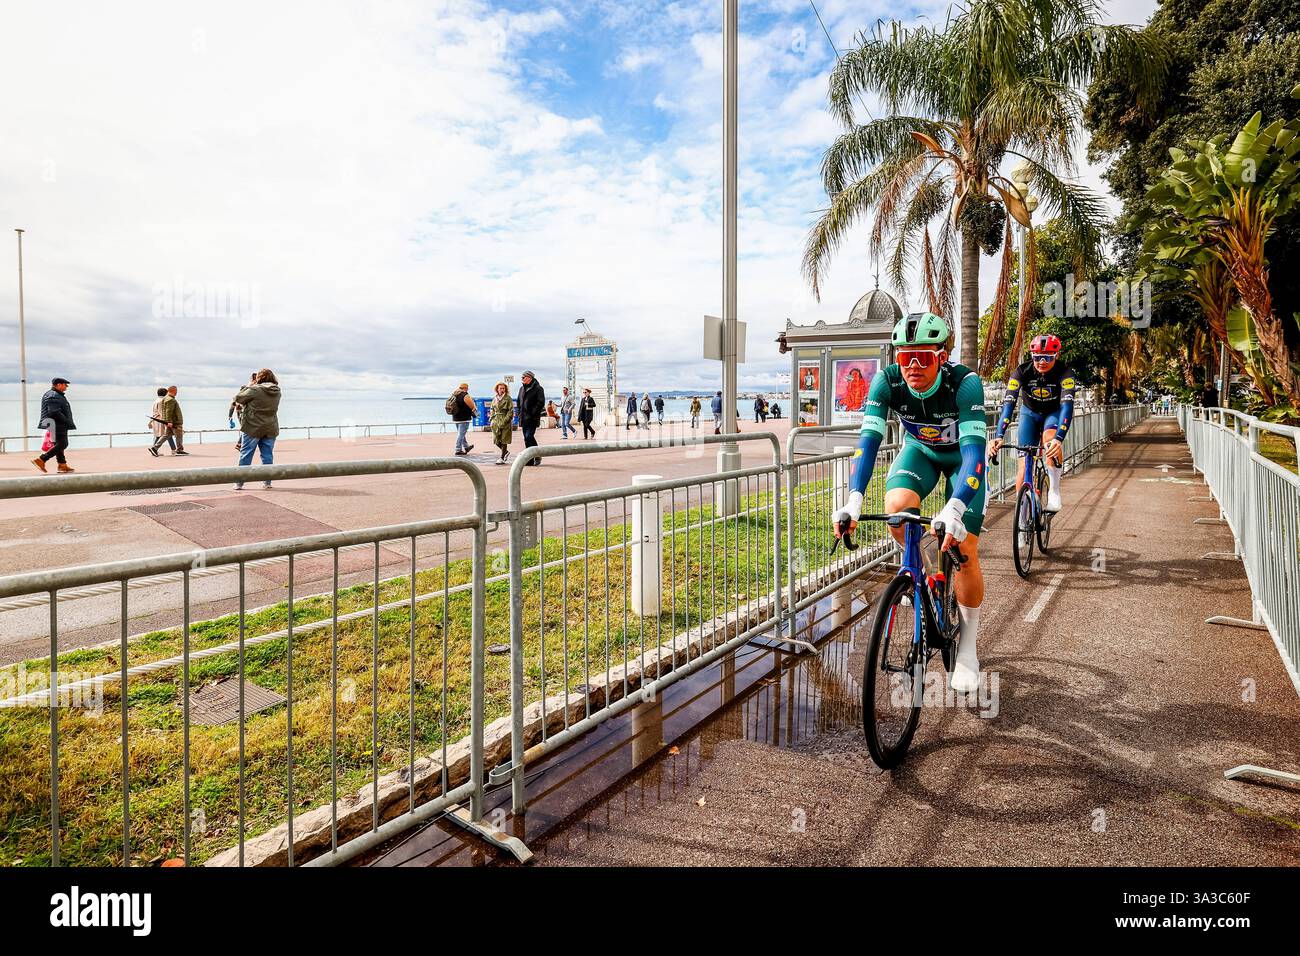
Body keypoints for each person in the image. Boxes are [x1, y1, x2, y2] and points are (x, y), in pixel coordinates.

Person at [832, 312, 987, 694]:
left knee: (965, 545)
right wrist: (853, 501)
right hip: (920, 453)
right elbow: (867, 444)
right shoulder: (886, 382)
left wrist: (954, 508)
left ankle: (967, 648)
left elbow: (974, 457)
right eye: (905, 357)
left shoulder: (965, 385)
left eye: (924, 357)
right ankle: (919, 575)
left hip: (961, 459)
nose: (914, 366)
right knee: (897, 512)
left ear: (943, 356)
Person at [988, 333, 1077, 513]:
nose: (1041, 362)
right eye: (1037, 357)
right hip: (1029, 414)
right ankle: (1022, 514)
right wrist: (999, 436)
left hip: (1053, 413)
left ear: (1056, 356)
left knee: (1050, 439)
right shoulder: (1021, 372)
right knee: (1023, 467)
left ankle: (1054, 490)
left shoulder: (1065, 373)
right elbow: (1008, 406)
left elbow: (1067, 407)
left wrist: (1059, 438)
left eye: (1047, 357)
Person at [232, 369, 282, 490]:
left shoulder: (255, 390)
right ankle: (267, 482)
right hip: (270, 427)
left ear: (259, 378)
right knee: (267, 456)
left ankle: (239, 483)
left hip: (252, 427)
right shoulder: (277, 391)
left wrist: (249, 385)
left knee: (246, 454)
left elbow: (237, 398)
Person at [32, 377, 76, 474]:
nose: (67, 386)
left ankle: (62, 465)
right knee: (63, 444)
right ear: (58, 385)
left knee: (59, 445)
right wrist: (66, 421)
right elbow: (54, 411)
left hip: (56, 423)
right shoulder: (53, 395)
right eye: (65, 384)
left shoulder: (56, 395)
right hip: (56, 423)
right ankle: (41, 459)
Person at [517, 371, 545, 465]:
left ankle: (537, 455)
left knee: (529, 436)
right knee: (526, 438)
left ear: (529, 378)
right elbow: (518, 402)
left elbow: (540, 402)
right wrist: (519, 413)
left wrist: (533, 412)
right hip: (523, 418)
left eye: (523, 377)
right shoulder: (521, 389)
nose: (522, 379)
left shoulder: (538, 388)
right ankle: (530, 460)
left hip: (532, 418)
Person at [148, 387, 177, 457]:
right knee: (166, 435)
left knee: (161, 435)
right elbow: (162, 412)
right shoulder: (162, 401)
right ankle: (155, 449)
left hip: (155, 420)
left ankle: (172, 450)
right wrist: (167, 422)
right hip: (160, 420)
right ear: (166, 393)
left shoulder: (156, 400)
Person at [449, 382, 476, 455]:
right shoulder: (465, 395)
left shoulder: (454, 394)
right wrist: (475, 408)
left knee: (461, 433)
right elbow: (472, 406)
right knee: (461, 434)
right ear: (466, 388)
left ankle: (466, 446)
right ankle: (458, 449)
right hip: (464, 418)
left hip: (455, 417)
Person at [490, 381, 514, 463]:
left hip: (505, 420)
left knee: (504, 439)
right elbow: (492, 409)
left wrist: (506, 420)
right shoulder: (494, 398)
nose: (502, 390)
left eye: (503, 388)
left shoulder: (508, 398)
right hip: (496, 421)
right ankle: (506, 452)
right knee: (496, 440)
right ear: (497, 389)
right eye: (500, 388)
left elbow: (511, 411)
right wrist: (492, 418)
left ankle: (502, 457)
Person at [167, 386, 189, 455]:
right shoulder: (171, 400)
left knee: (166, 435)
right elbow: (169, 411)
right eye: (176, 390)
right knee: (178, 435)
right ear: (172, 390)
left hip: (173, 421)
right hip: (175, 422)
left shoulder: (171, 399)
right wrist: (169, 421)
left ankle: (155, 447)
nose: (177, 392)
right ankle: (179, 449)